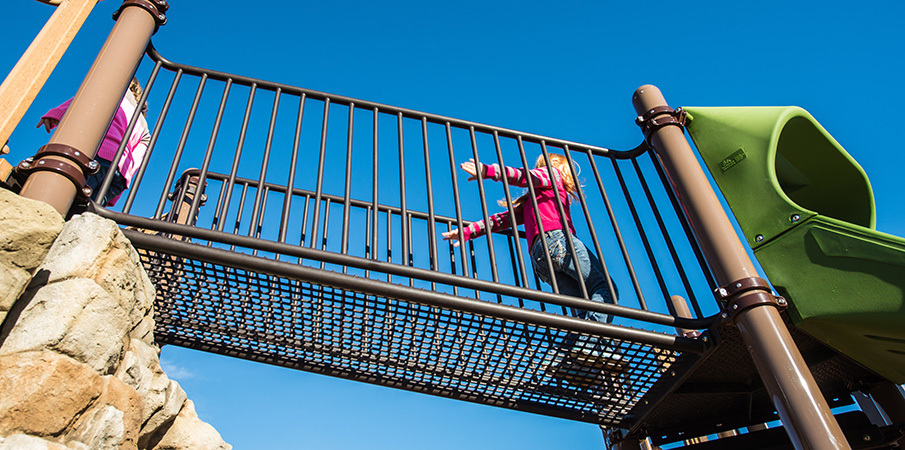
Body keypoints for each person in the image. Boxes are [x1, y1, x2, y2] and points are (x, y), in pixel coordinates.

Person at [442, 153, 620, 359]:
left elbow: (502, 220)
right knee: (606, 288)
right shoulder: (552, 175)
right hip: (559, 241)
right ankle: (590, 346)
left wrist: (469, 231)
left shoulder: (531, 201)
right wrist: (489, 171)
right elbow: (526, 176)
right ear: (556, 166)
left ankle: (566, 355)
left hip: (540, 258)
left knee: (581, 307)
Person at [38, 77, 151, 206]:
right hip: (118, 173)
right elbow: (135, 161)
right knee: (89, 209)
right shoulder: (143, 125)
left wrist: (56, 113)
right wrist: (116, 191)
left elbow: (85, 100)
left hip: (98, 155)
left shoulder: (114, 92)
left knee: (65, 198)